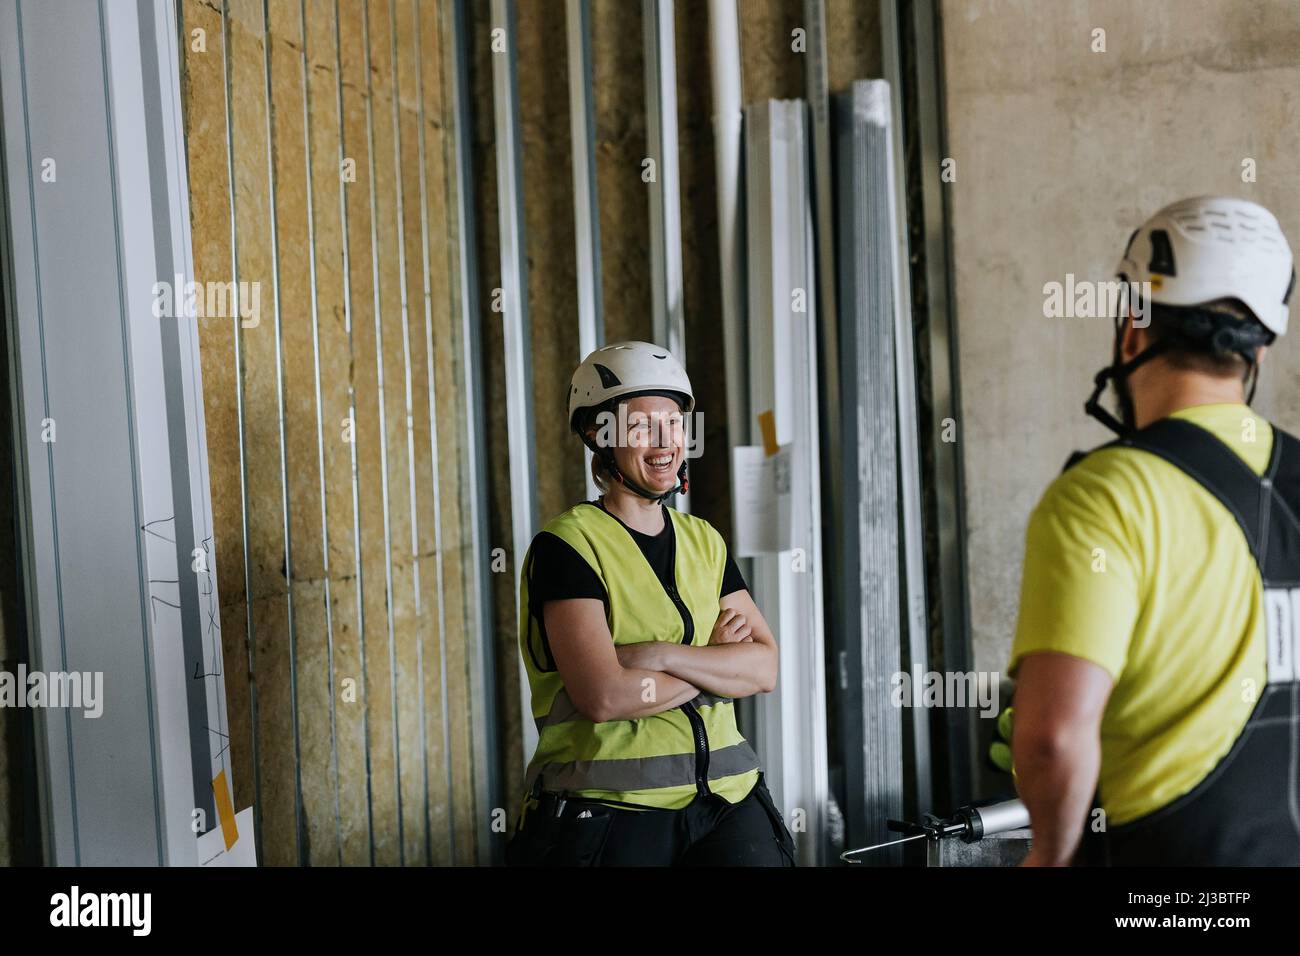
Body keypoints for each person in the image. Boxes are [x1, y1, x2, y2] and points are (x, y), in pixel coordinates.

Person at [1008, 196, 1300, 866]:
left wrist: (1048, 856)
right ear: (1255, 353)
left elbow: (1053, 739)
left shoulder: (1102, 497)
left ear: (1133, 331)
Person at [504, 341, 796, 866]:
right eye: (641, 428)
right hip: (611, 813)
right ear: (598, 435)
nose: (665, 444)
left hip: (729, 802)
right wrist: (715, 661)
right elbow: (605, 697)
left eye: (674, 424)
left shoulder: (704, 540)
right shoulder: (568, 547)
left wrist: (662, 654)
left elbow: (766, 667)